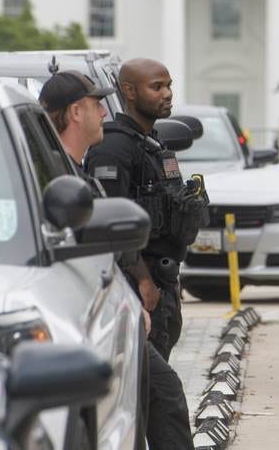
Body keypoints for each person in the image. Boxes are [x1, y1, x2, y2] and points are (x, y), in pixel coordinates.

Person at [38, 70, 195, 450]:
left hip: (104, 305)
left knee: (137, 404)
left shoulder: (71, 171)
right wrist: (135, 287)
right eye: (96, 105)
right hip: (75, 314)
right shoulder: (55, 176)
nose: (104, 113)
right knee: (161, 394)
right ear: (76, 112)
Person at [86, 58, 208, 361]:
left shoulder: (152, 144)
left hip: (163, 278)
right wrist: (143, 280)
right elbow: (112, 225)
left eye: (168, 86)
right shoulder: (113, 148)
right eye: (156, 87)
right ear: (129, 91)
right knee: (151, 380)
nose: (167, 94)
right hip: (138, 283)